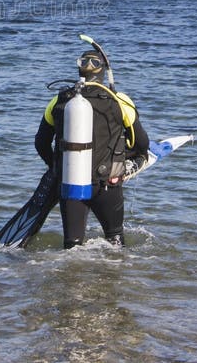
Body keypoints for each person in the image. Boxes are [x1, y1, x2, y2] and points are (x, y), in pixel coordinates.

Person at [34, 50, 149, 249]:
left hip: (70, 182)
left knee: (72, 246)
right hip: (107, 183)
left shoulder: (60, 100)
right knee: (115, 240)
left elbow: (41, 143)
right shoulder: (120, 100)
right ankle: (114, 277)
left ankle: (71, 277)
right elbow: (143, 144)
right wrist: (126, 160)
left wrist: (57, 166)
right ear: (103, 71)